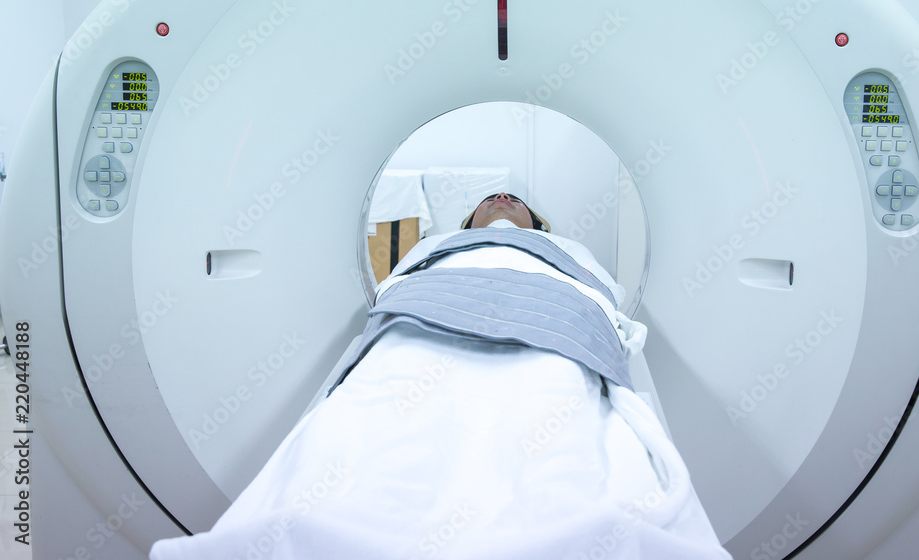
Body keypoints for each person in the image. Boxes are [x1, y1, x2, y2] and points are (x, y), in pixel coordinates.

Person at [150, 191, 731, 560]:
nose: (502, 199)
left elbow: (594, 290)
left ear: (538, 223)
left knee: (549, 404)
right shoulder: (441, 248)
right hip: (426, 316)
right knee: (377, 407)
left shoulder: (562, 250)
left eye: (515, 199)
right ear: (468, 222)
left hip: (554, 319)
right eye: (489, 199)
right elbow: (401, 281)